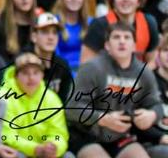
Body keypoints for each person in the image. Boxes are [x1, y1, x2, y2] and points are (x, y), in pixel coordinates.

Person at [68, 21, 164, 158]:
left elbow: (157, 105)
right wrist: (103, 118)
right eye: (116, 37)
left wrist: (152, 115)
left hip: (118, 136)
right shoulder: (92, 68)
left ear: (134, 46)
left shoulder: (143, 73)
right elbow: (72, 108)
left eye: (127, 37)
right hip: (85, 135)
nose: (122, 41)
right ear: (107, 45)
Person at [0, 51, 68, 158]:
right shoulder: (3, 97)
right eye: (25, 73)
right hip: (17, 151)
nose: (31, 77)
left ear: (42, 75)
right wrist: (34, 149)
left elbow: (59, 132)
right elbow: (6, 135)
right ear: (16, 76)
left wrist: (53, 147)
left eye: (36, 72)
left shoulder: (51, 98)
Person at [80, 0, 159, 65]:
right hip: (105, 76)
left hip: (138, 76)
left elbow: (152, 61)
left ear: (138, 1)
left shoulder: (149, 22)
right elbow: (86, 62)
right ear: (113, 1)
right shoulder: (99, 24)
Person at [23, 11, 74, 103]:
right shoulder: (24, 64)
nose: (51, 37)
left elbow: (64, 103)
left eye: (54, 33)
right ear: (34, 37)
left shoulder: (62, 65)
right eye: (45, 32)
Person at [52, 0, 90, 76]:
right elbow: (54, 56)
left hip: (87, 73)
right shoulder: (54, 22)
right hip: (63, 73)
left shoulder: (91, 23)